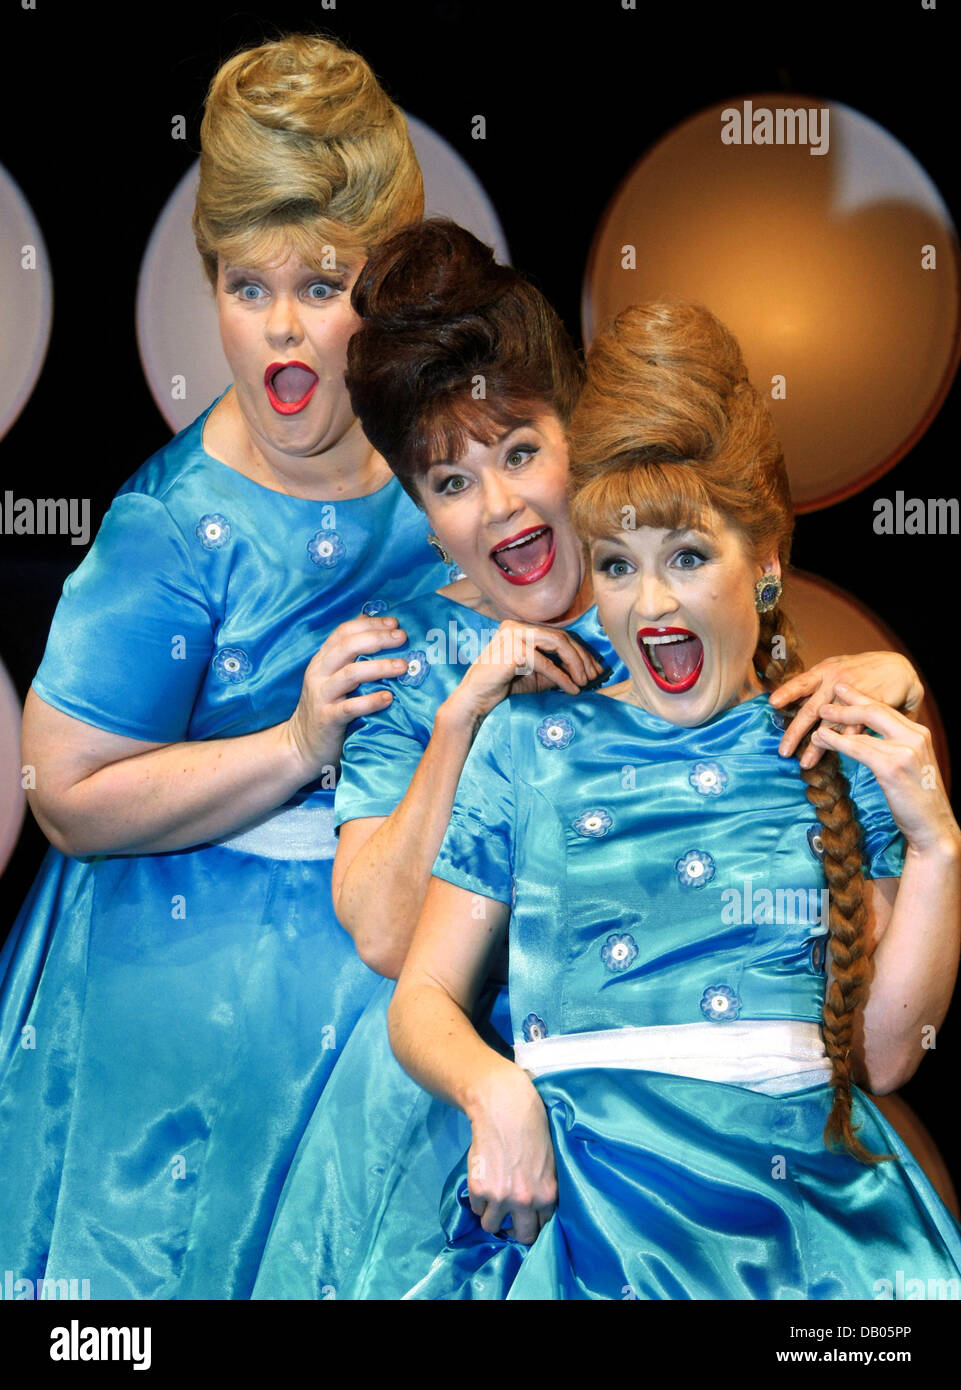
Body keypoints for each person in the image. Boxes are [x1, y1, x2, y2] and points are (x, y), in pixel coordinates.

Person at [249, 225, 935, 1299]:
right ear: (422, 515)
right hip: (501, 1122)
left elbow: (773, 680)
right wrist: (464, 715)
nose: (503, 504)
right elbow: (394, 942)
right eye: (450, 481)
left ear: (580, 438)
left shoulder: (665, 587)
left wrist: (890, 675)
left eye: (520, 450)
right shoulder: (419, 668)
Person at [0, 34, 447, 1300]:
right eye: (248, 288)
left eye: (324, 283)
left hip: (395, 997)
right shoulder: (173, 526)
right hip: (182, 1028)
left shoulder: (454, 474)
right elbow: (64, 794)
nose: (284, 329)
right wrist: (297, 747)